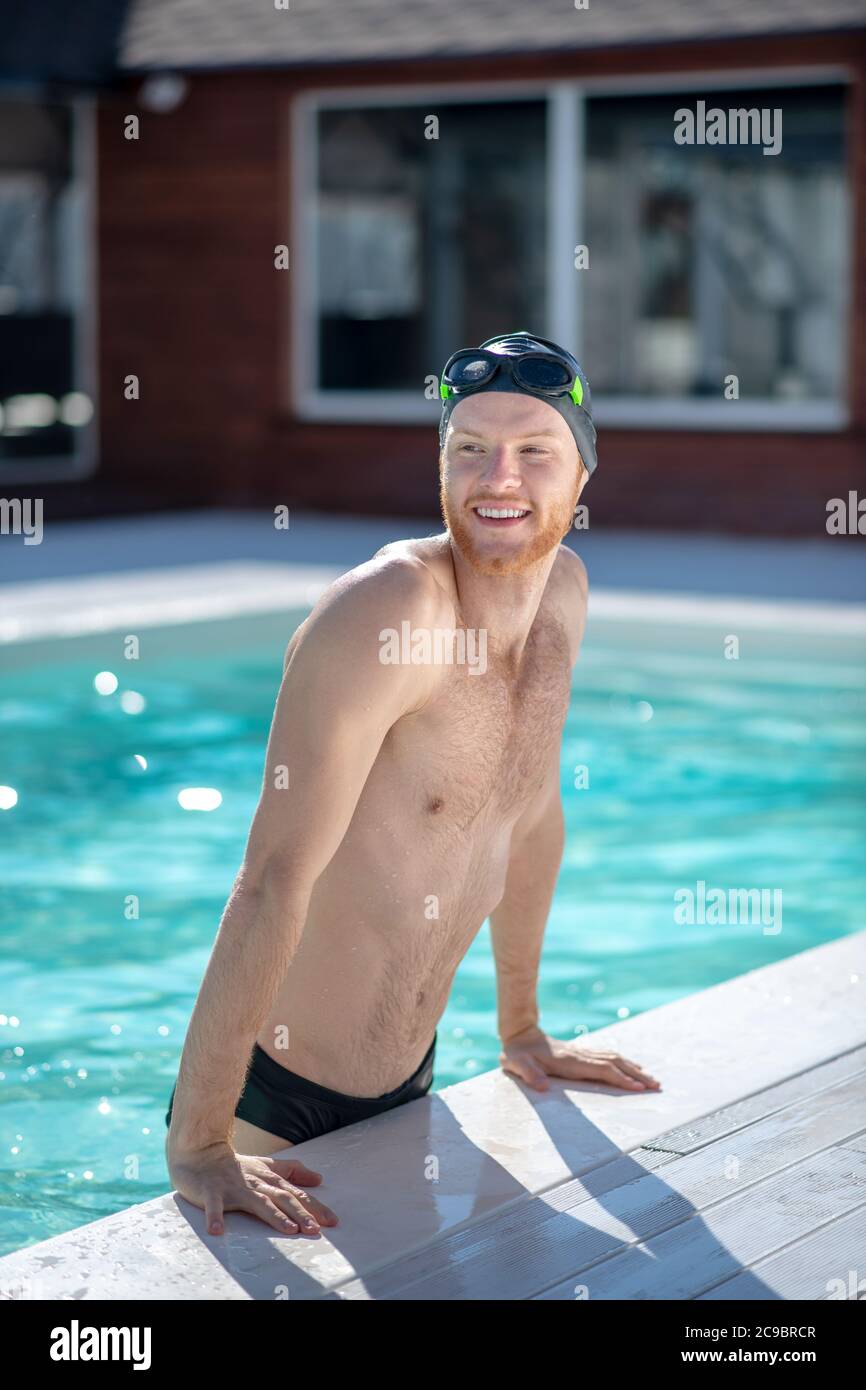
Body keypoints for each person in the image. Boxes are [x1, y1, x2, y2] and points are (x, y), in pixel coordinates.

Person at [165, 331, 660, 1240]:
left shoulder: (564, 602)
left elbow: (531, 813)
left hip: (411, 1080)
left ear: (583, 475)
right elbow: (272, 878)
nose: (498, 477)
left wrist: (524, 1029)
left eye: (534, 451)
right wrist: (198, 1145)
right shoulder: (390, 610)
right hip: (269, 1102)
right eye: (469, 448)